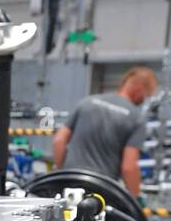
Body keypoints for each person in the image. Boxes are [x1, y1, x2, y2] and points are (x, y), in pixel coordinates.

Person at [52, 67, 158, 196]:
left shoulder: (87, 102)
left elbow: (59, 141)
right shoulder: (136, 118)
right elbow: (129, 167)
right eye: (147, 95)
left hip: (69, 182)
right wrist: (136, 200)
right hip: (101, 189)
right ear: (139, 88)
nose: (144, 100)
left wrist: (63, 170)